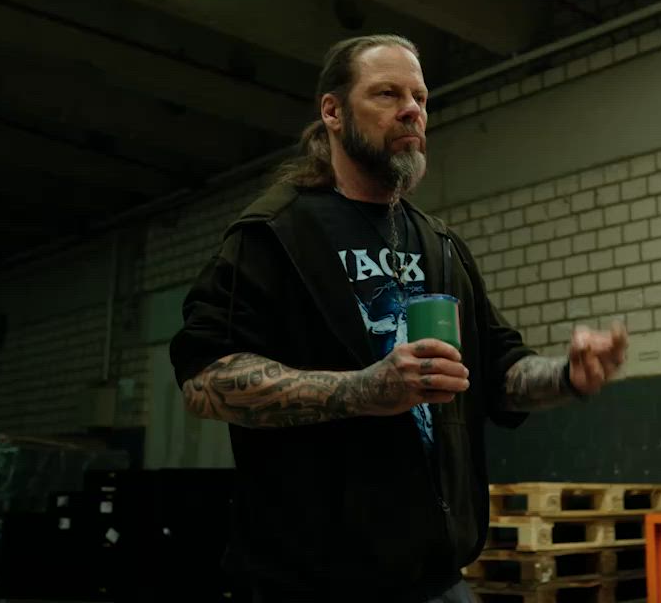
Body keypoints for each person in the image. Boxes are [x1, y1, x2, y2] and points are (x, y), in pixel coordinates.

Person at [170, 34, 629, 603]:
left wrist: (567, 375)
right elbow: (205, 380)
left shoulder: (440, 245)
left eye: (420, 97)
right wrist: (364, 390)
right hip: (308, 583)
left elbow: (497, 372)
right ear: (333, 112)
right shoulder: (274, 234)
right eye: (387, 94)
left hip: (437, 579)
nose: (412, 109)